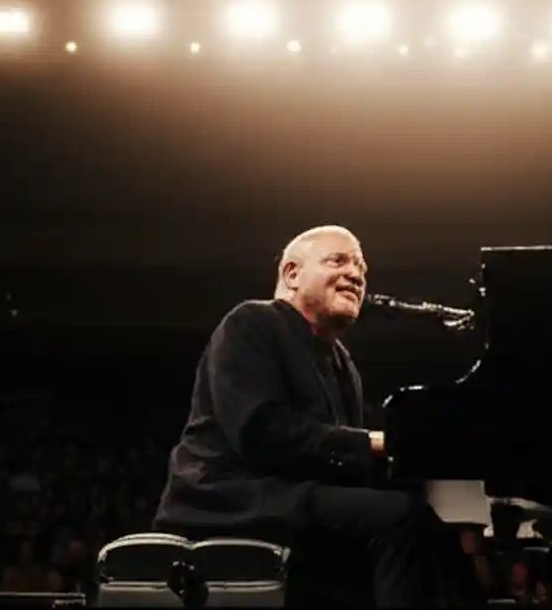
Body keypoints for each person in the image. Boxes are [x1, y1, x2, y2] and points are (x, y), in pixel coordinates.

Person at [155, 225, 464, 607]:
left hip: (289, 496)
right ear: (292, 274)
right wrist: (376, 444)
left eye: (361, 269)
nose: (355, 274)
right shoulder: (251, 322)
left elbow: (345, 462)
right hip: (227, 497)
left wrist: (425, 453)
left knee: (429, 527)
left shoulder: (341, 362)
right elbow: (261, 431)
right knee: (400, 517)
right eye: (338, 261)